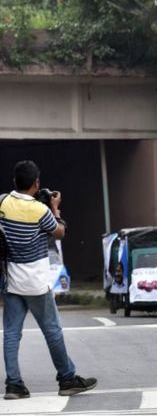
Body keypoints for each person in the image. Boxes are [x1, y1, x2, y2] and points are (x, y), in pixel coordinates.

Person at [0, 161, 97, 399]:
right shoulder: (40, 211)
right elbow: (60, 232)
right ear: (36, 183)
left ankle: (13, 384)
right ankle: (67, 379)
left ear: (14, 182)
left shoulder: (2, 201)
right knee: (52, 330)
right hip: (35, 282)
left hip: (10, 279)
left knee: (11, 333)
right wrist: (54, 208)